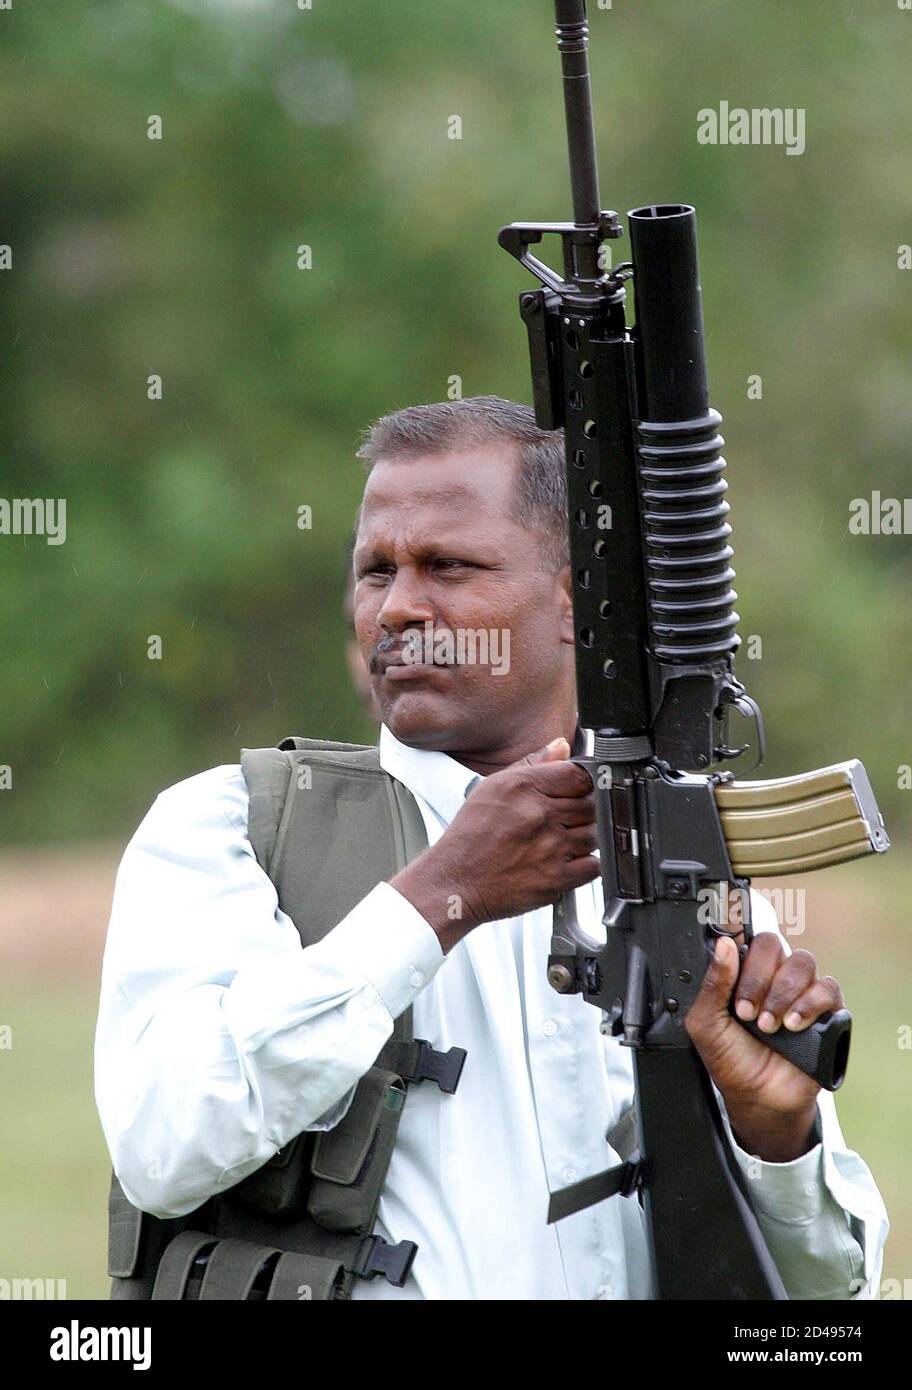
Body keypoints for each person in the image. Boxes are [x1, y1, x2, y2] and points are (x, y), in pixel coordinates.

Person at [95, 395, 888, 1300]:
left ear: (575, 601)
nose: (398, 609)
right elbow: (165, 1145)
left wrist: (776, 1137)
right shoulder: (234, 825)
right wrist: (441, 898)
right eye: (375, 572)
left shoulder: (674, 867)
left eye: (449, 567)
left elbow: (830, 1302)